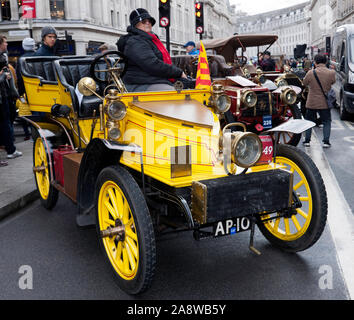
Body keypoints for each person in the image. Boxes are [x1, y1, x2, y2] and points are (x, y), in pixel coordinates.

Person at [117, 8, 186, 92]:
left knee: (188, 88)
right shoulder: (134, 42)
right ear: (135, 25)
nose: (148, 23)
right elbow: (153, 64)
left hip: (154, 80)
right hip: (140, 83)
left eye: (149, 21)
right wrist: (178, 72)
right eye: (143, 21)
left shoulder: (150, 39)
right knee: (176, 94)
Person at [302, 54, 336, 148]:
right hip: (325, 102)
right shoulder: (331, 72)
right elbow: (333, 82)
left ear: (315, 62)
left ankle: (307, 141)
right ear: (325, 62)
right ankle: (326, 141)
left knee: (309, 121)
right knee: (326, 121)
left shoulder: (310, 72)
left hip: (312, 102)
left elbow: (304, 83)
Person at [0, 50, 22, 160]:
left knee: (6, 122)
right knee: (5, 123)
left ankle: (9, 147)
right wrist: (3, 76)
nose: (7, 45)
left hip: (4, 96)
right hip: (3, 97)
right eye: (4, 43)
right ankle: (10, 149)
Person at [16, 37, 35, 140]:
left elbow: (19, 78)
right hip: (37, 90)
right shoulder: (37, 56)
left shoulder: (21, 59)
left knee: (25, 113)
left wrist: (21, 94)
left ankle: (29, 134)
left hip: (26, 91)